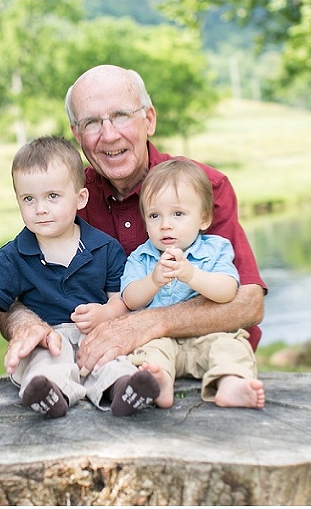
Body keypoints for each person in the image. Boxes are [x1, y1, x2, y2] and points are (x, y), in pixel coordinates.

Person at [0, 65, 266, 387]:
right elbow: (5, 284)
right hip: (105, 375)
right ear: (76, 133)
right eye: (92, 123)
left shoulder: (203, 187)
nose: (109, 135)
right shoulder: (64, 197)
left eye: (121, 115)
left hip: (206, 367)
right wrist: (22, 323)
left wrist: (146, 323)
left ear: (149, 119)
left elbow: (248, 302)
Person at [0, 136, 161, 418]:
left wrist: (106, 314)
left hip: (96, 334)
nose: (40, 208)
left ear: (80, 198)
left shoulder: (104, 248)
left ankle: (124, 390)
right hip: (47, 338)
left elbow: (123, 299)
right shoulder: (14, 256)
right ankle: (48, 395)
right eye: (28, 199)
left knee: (111, 360)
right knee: (44, 364)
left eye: (52, 196)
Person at [113, 159, 265, 409]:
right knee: (147, 352)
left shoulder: (215, 249)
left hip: (207, 336)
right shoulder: (142, 257)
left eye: (178, 214)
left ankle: (230, 384)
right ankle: (158, 382)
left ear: (204, 218)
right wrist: (153, 280)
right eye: (154, 215)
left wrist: (193, 276)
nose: (165, 224)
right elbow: (130, 298)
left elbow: (228, 290)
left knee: (231, 345)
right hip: (160, 340)